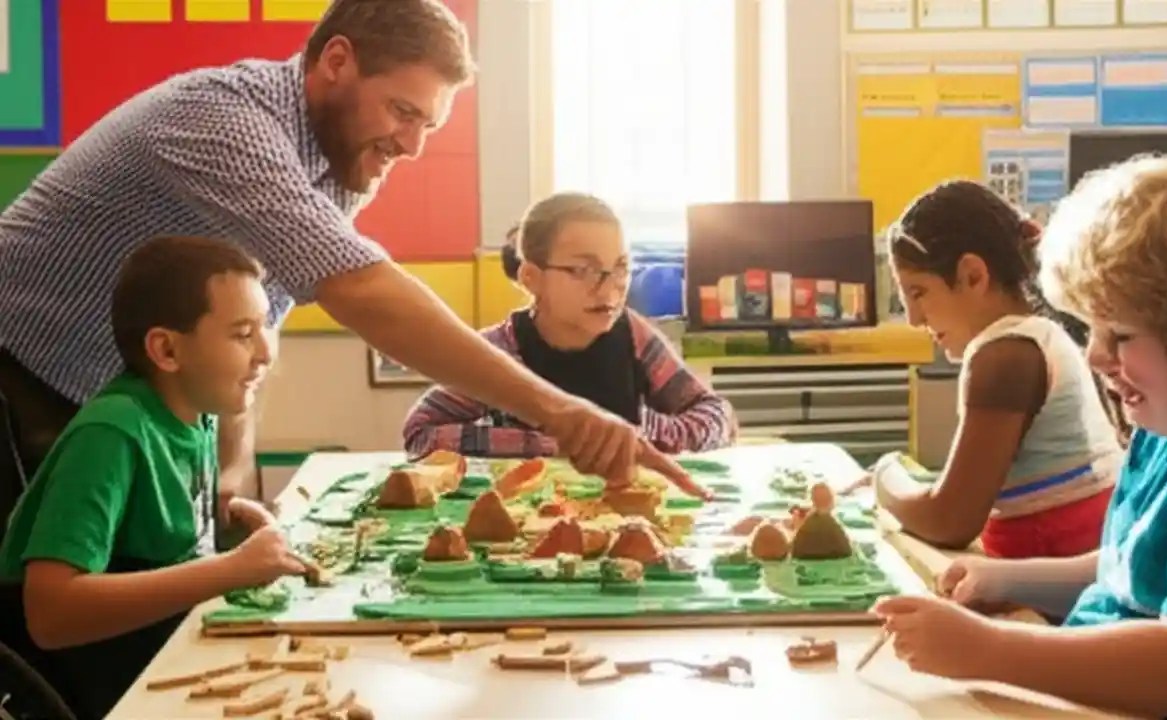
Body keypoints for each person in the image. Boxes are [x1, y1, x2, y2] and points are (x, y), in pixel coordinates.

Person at [0, 0, 687, 522]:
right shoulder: (223, 121)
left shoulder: (334, 167)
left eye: (429, 125)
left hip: (110, 409)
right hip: (19, 380)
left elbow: (251, 330)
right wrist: (563, 413)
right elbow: (361, 289)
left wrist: (228, 480)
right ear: (336, 62)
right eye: (401, 111)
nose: (413, 145)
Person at [873, 156, 1167, 718]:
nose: (1095, 355)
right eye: (1091, 328)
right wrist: (1006, 577)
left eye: (1122, 333)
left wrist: (987, 650)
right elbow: (1126, 568)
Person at [0, 236, 304, 720]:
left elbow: (156, 549)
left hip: (171, 669)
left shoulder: (194, 414)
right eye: (242, 333)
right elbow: (51, 614)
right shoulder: (112, 433)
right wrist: (230, 570)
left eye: (265, 325)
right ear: (166, 349)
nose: (266, 352)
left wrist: (221, 534)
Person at [404, 194, 736, 487]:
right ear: (531, 278)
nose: (609, 289)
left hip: (628, 517)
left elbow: (717, 415)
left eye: (620, 268)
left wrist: (634, 438)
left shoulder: (634, 336)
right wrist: (550, 444)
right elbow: (420, 433)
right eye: (582, 270)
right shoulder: (500, 351)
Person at [867, 180, 1123, 558]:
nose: (913, 318)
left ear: (973, 275)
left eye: (918, 292)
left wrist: (885, 479)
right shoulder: (1040, 333)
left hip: (1054, 598)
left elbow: (950, 521)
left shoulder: (1005, 354)